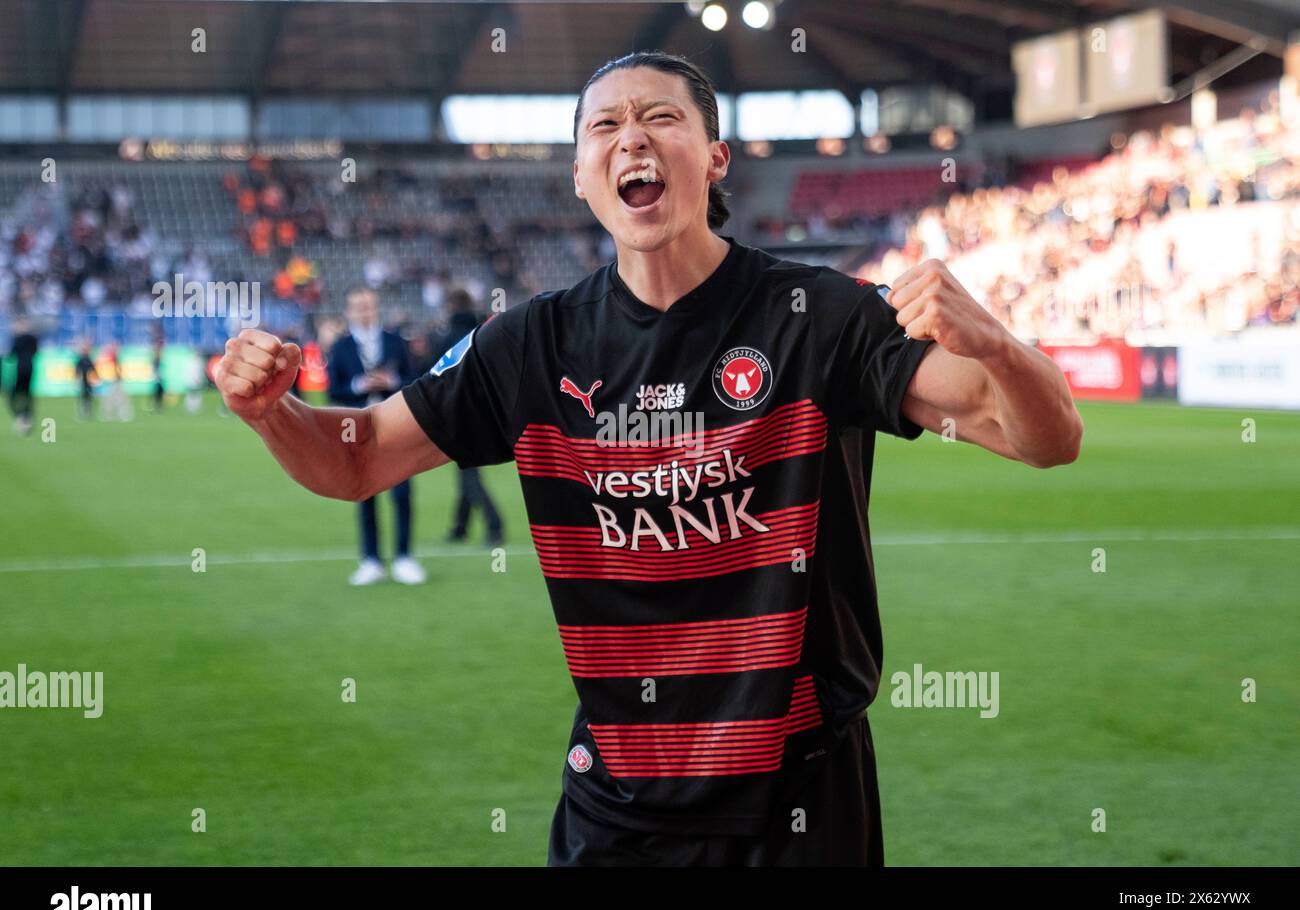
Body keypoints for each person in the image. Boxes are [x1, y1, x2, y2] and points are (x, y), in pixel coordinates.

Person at [214, 51, 1082, 866]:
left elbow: (1044, 437)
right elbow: (354, 462)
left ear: (714, 159)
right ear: (581, 178)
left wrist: (1000, 348)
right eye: (605, 127)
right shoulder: (528, 345)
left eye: (661, 117)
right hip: (618, 805)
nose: (632, 136)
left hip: (802, 804)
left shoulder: (818, 316)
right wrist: (270, 412)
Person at [327, 285, 426, 586]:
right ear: (349, 311)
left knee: (402, 494)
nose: (365, 311)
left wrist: (391, 380)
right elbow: (334, 390)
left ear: (376, 307)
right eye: (358, 306)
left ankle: (404, 557)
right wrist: (359, 385)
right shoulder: (340, 347)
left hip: (395, 429)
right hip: (357, 431)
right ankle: (371, 560)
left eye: (369, 305)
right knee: (365, 495)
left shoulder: (396, 342)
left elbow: (415, 381)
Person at [434, 289, 504, 547]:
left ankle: (495, 524)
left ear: (451, 305)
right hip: (487, 410)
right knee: (466, 468)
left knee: (468, 474)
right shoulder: (484, 330)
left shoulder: (449, 336)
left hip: (460, 411)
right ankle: (460, 527)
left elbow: (438, 376)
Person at [6, 317, 39, 436]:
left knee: (13, 394)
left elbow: (11, 354)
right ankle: (27, 417)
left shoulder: (17, 338)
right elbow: (36, 352)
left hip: (20, 368)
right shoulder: (33, 338)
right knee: (27, 393)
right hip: (30, 367)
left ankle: (20, 417)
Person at [74, 340, 99, 420]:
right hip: (82, 382)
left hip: (89, 382)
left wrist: (95, 379)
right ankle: (82, 413)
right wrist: (77, 379)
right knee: (82, 398)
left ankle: (88, 413)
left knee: (89, 398)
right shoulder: (81, 360)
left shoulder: (89, 359)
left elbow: (94, 370)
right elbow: (77, 370)